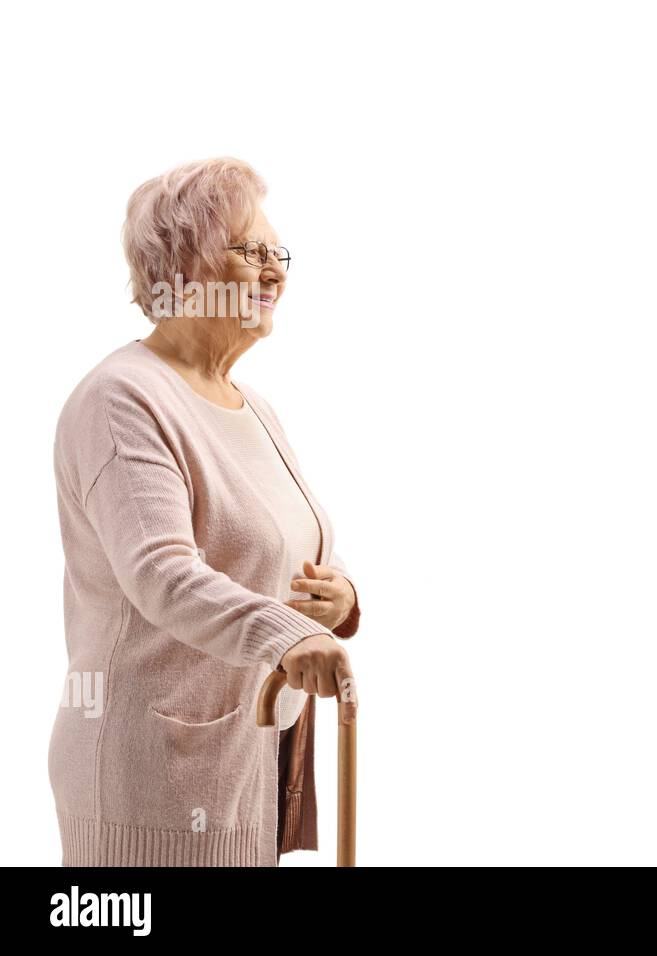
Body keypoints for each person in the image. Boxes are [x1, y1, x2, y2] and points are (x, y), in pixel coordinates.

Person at [50, 157, 360, 866]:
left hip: (244, 760)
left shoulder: (255, 408)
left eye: (277, 252)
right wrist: (285, 636)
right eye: (251, 252)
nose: (275, 270)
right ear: (182, 267)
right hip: (152, 775)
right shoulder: (122, 398)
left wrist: (339, 594)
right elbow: (160, 572)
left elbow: (283, 541)